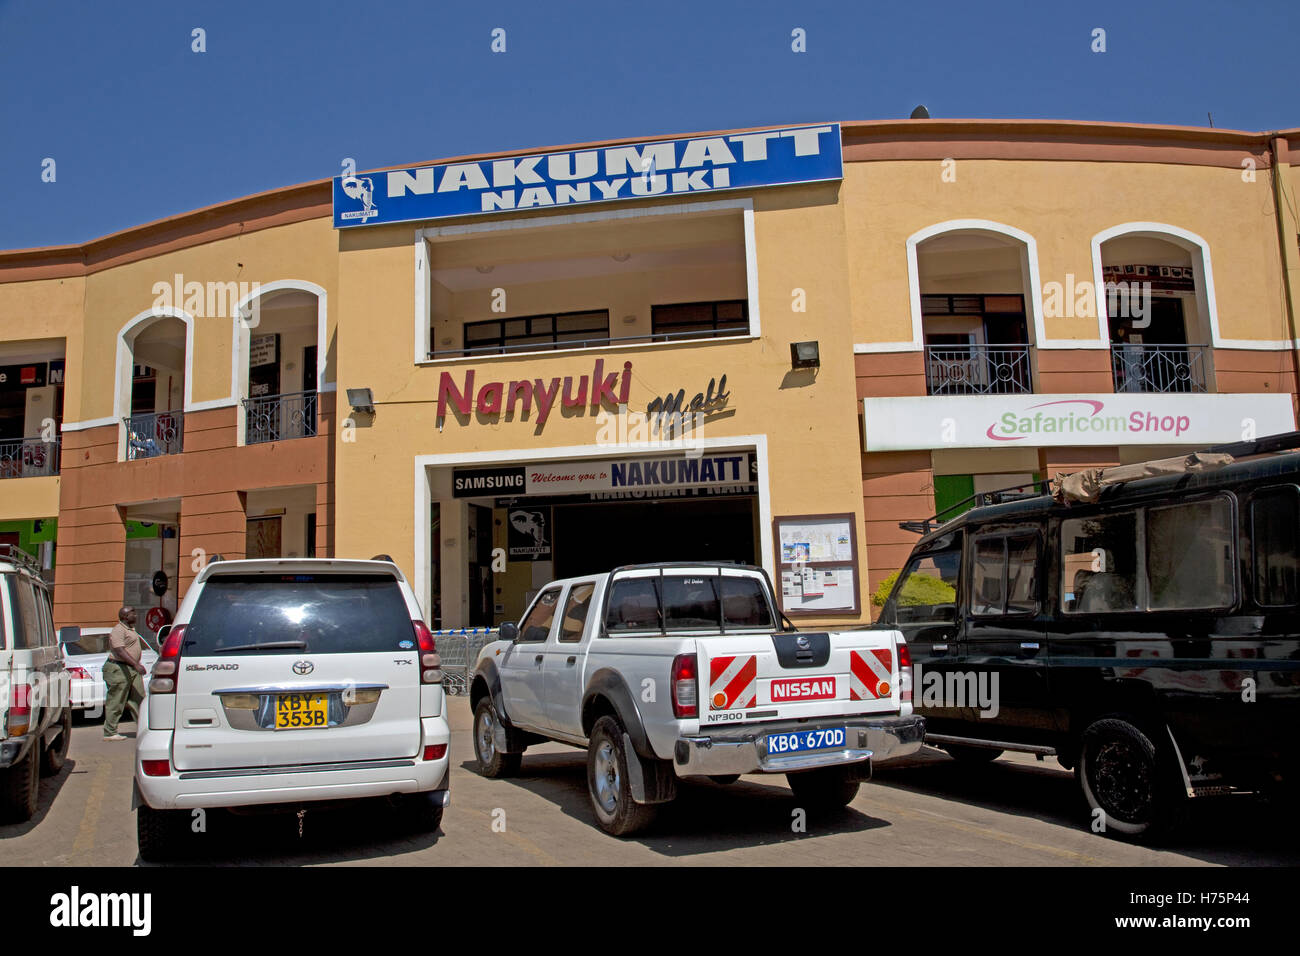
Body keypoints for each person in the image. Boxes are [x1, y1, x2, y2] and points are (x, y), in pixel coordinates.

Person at [103, 606, 148, 741]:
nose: (135, 616)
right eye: (132, 613)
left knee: (139, 699)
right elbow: (119, 650)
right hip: (119, 669)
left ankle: (144, 729)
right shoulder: (118, 630)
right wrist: (135, 664)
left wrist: (135, 666)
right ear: (124, 616)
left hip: (131, 670)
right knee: (116, 701)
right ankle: (110, 732)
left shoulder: (130, 629)